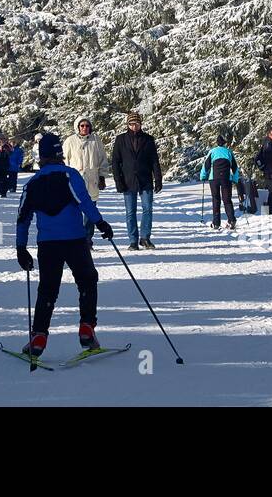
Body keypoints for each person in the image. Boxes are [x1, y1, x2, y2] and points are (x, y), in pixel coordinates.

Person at [15, 133, 114, 358]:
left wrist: (21, 248)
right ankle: (87, 328)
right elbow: (84, 201)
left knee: (48, 289)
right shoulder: (70, 175)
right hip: (74, 240)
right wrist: (100, 223)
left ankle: (39, 336)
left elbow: (23, 218)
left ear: (41, 157)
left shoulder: (32, 184)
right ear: (60, 154)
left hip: (48, 243)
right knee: (87, 280)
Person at [110, 112, 163, 250]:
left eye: (137, 124)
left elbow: (154, 161)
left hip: (145, 179)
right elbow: (115, 161)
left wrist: (158, 179)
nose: (134, 126)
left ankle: (145, 238)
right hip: (128, 181)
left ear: (141, 124)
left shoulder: (148, 139)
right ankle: (133, 240)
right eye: (132, 124)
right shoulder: (121, 139)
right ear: (128, 125)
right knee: (130, 212)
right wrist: (118, 181)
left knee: (147, 209)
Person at [63, 117, 108, 248]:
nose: (84, 128)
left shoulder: (96, 140)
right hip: (75, 181)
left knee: (90, 211)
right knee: (74, 211)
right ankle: (75, 238)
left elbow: (102, 160)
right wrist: (65, 178)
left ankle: (87, 239)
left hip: (92, 181)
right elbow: (64, 161)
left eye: (87, 126)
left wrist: (102, 177)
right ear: (77, 127)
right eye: (82, 125)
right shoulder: (70, 141)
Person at [199, 132, 239, 231]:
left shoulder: (212, 152)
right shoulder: (229, 152)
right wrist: (234, 178)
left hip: (214, 178)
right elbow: (234, 167)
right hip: (226, 178)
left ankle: (216, 223)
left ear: (217, 143)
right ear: (224, 143)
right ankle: (231, 220)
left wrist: (203, 176)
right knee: (227, 200)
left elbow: (206, 165)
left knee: (216, 200)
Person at [254, 125, 272, 215]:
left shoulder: (270, 143)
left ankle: (271, 211)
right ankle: (271, 212)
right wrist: (268, 170)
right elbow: (268, 160)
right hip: (271, 173)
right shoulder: (268, 144)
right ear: (269, 134)